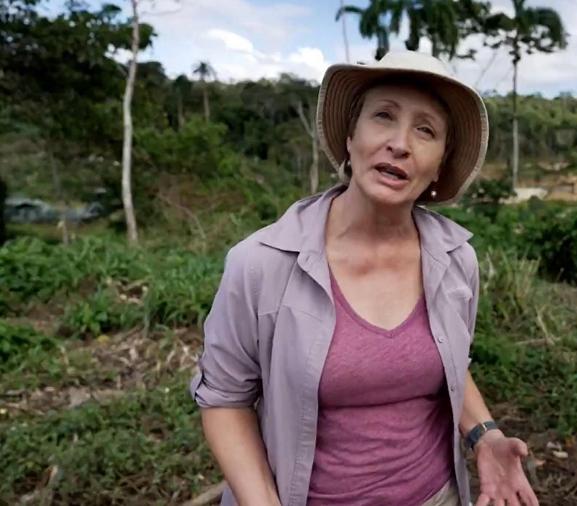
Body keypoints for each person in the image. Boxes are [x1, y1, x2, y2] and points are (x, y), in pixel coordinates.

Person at [189, 50, 539, 506]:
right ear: (351, 136)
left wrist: (486, 436)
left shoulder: (456, 260)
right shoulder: (261, 264)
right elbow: (225, 400)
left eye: (426, 130)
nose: (400, 143)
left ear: (439, 164)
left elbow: (452, 366)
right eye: (384, 117)